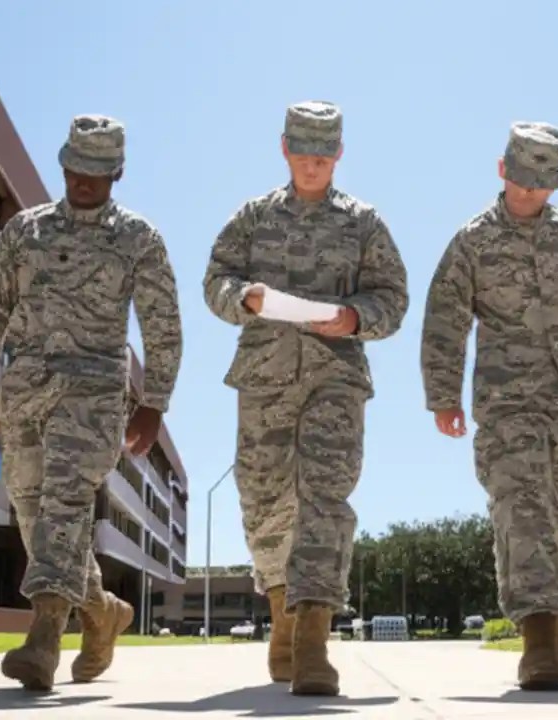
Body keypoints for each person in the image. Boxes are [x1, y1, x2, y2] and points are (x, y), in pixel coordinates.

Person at [0, 114, 183, 691]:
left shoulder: (138, 238)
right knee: (34, 518)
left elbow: (162, 327)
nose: (85, 181)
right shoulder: (26, 232)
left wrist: (152, 402)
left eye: (98, 173)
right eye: (77, 169)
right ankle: (103, 611)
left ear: (118, 173)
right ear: (63, 164)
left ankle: (43, 639)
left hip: (95, 392)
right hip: (27, 389)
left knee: (64, 503)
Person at [420, 121, 558, 691]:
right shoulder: (471, 241)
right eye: (522, 182)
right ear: (502, 170)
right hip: (508, 398)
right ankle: (537, 641)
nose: (530, 194)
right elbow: (445, 320)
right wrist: (442, 394)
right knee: (522, 508)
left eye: (542, 186)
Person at [202, 100, 408, 697]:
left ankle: (315, 636)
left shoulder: (363, 222)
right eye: (303, 152)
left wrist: (353, 317)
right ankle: (283, 616)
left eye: (324, 154)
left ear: (339, 154)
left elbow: (393, 297)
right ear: (284, 148)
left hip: (335, 375)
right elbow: (215, 278)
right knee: (263, 499)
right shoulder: (252, 215)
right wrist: (246, 299)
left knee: (324, 494)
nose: (313, 163)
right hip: (263, 375)